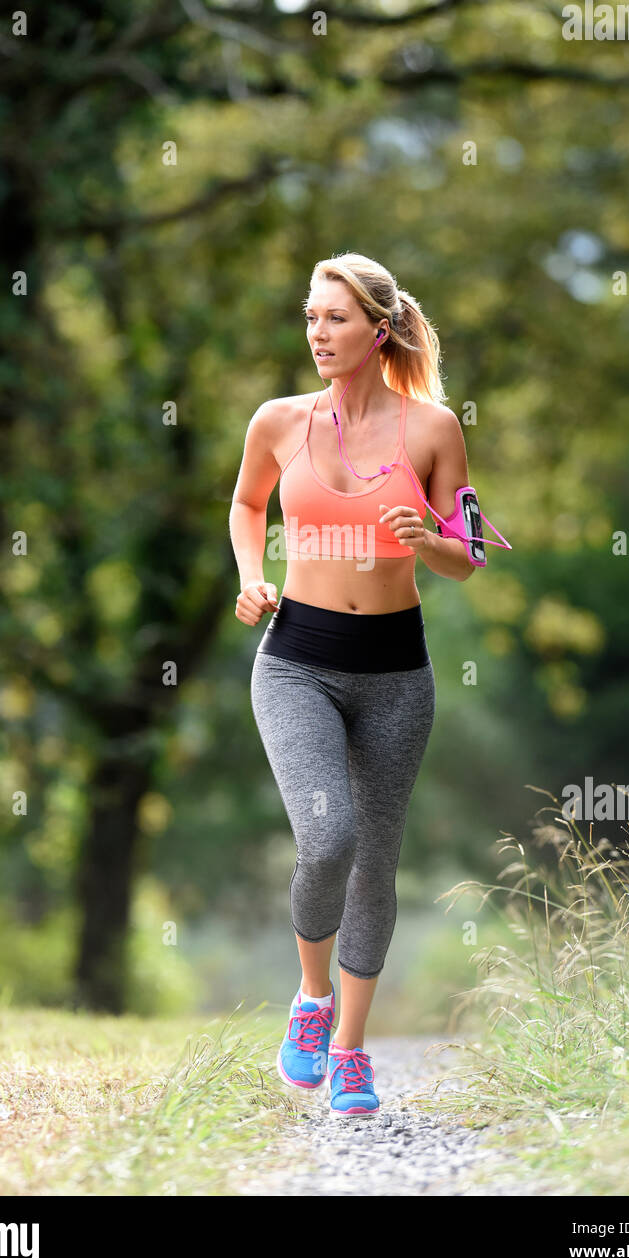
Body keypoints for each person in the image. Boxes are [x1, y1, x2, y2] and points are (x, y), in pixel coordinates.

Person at [229, 252, 475, 1116]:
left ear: (378, 329)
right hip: (295, 660)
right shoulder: (278, 421)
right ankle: (310, 998)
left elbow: (468, 561)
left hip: (395, 676)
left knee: (376, 865)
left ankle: (352, 1052)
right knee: (327, 838)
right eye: (309, 316)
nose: (316, 334)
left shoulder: (435, 429)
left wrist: (429, 538)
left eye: (333, 319)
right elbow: (247, 504)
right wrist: (250, 574)